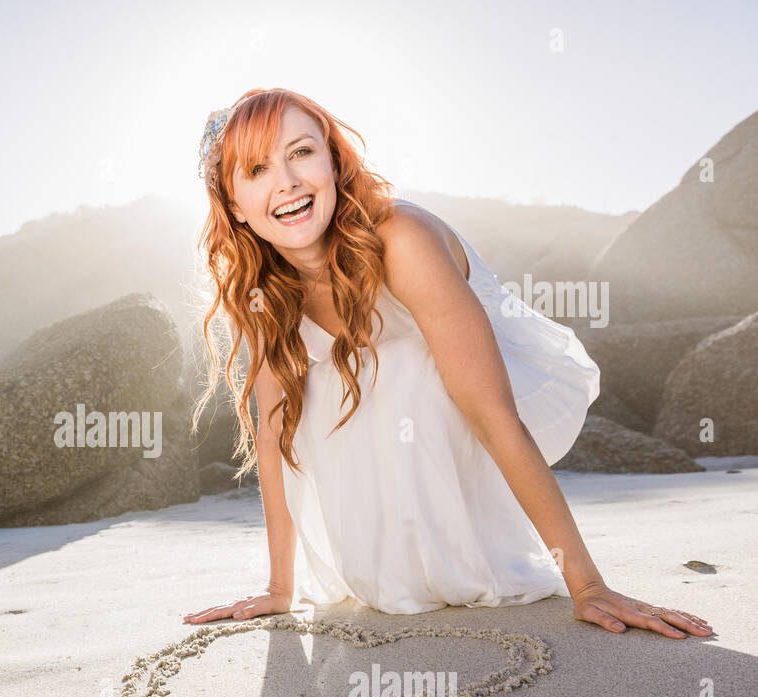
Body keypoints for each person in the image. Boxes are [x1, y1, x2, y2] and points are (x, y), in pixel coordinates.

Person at [183, 87, 712, 640]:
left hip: (499, 390)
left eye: (301, 152)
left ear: (334, 162)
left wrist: (587, 586)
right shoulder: (265, 289)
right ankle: (408, 552)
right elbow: (274, 434)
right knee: (313, 389)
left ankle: (469, 542)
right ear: (235, 207)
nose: (287, 182)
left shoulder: (402, 238)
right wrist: (279, 587)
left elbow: (490, 412)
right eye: (258, 168)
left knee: (403, 364)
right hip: (390, 431)